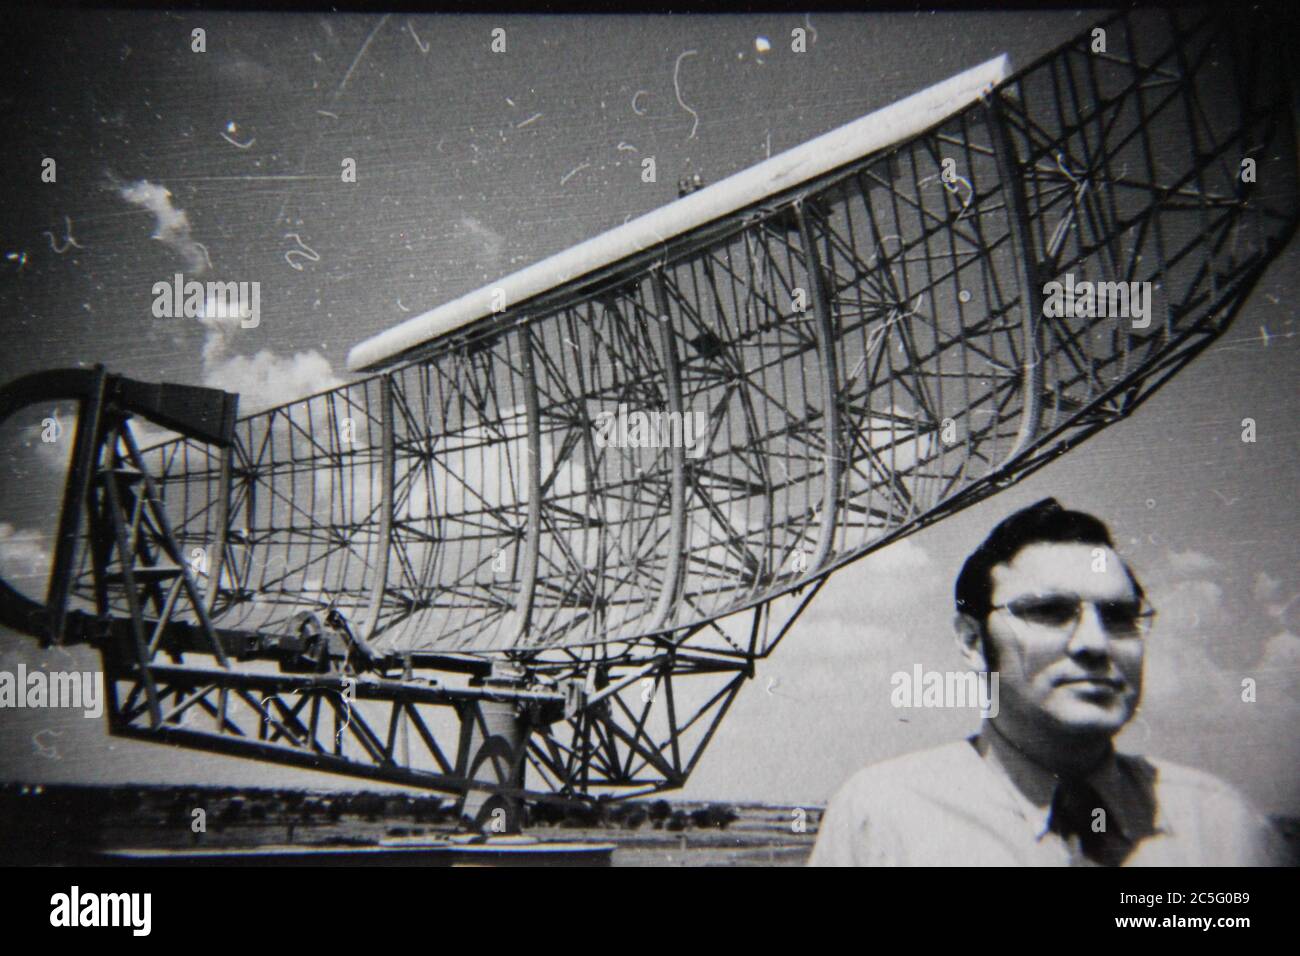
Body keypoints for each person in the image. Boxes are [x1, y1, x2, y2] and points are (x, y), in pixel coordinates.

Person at [809, 498, 1287, 866]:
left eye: (1120, 616)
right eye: (1048, 611)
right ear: (973, 641)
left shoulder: (1224, 829)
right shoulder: (882, 816)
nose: (1094, 643)